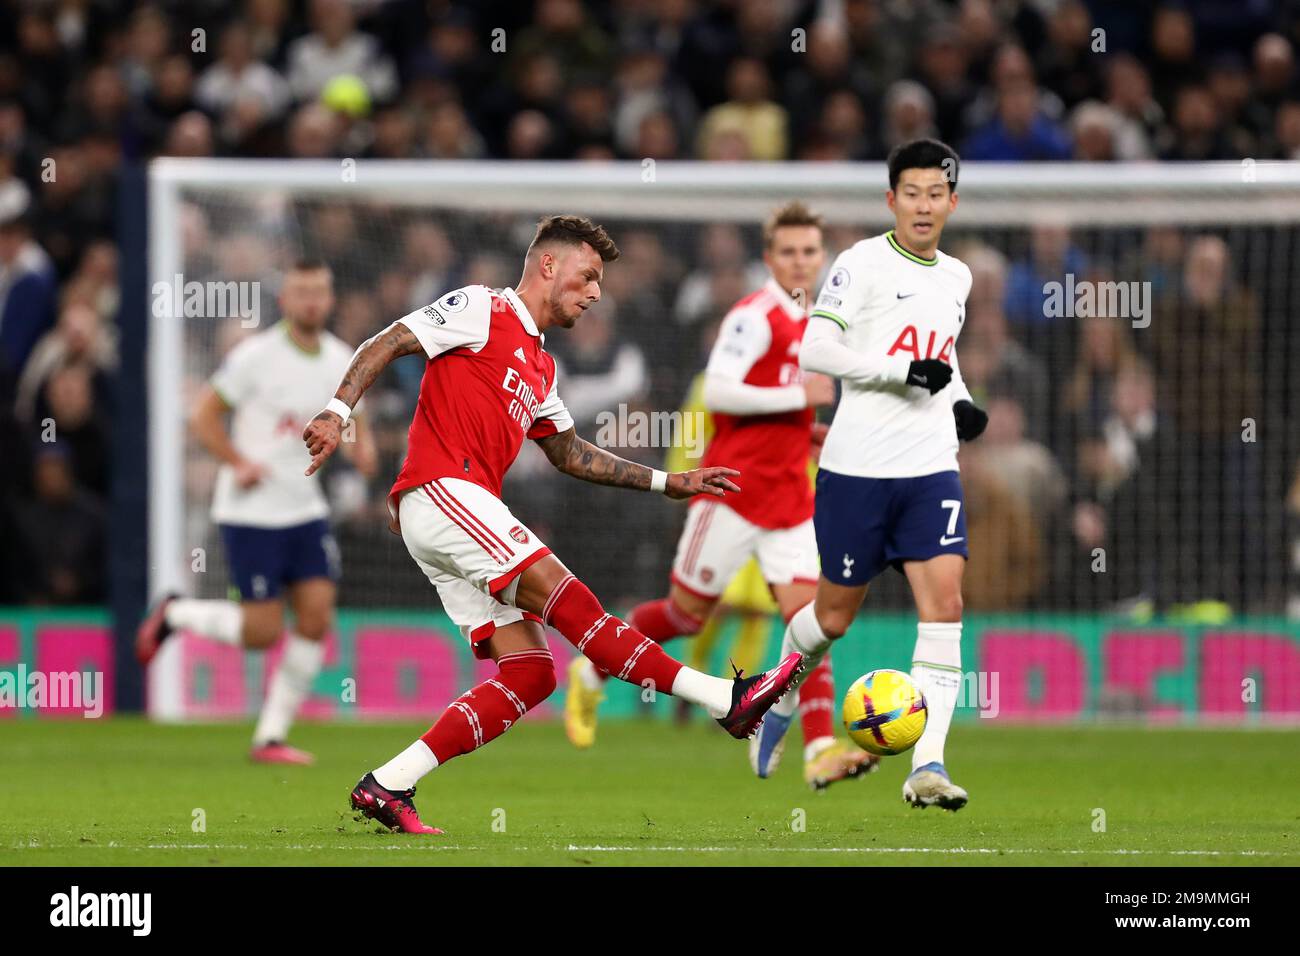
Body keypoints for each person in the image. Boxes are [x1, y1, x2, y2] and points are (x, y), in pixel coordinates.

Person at [301, 215, 803, 834]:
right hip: (444, 492)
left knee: (533, 673)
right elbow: (388, 340)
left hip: (451, 512)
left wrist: (666, 482)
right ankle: (728, 702)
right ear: (548, 266)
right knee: (574, 603)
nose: (595, 293)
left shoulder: (541, 367)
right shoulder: (483, 308)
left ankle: (388, 784)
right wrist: (334, 411)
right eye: (588, 276)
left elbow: (571, 454)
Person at [564, 201, 877, 789]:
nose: (801, 261)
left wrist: (814, 431)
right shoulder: (753, 316)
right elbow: (724, 393)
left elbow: (781, 412)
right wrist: (797, 397)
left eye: (810, 251)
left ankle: (819, 748)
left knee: (812, 623)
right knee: (684, 614)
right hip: (729, 494)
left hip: (788, 502)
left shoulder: (820, 323)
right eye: (788, 251)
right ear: (769, 258)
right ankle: (592, 668)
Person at [759, 139, 989, 811]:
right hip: (857, 470)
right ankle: (776, 701)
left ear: (952, 202)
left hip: (928, 470)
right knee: (831, 617)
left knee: (945, 604)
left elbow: (939, 361)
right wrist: (901, 373)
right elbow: (817, 346)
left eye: (935, 194)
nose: (923, 205)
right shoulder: (859, 264)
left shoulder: (958, 277)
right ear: (892, 201)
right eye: (910, 193)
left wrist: (961, 403)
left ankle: (928, 766)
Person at [136, 260, 377, 765]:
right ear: (284, 301)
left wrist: (362, 449)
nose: (311, 300)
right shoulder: (254, 357)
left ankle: (270, 737)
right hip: (250, 511)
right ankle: (175, 612)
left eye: (319, 291)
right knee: (262, 632)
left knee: (316, 617)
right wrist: (238, 461)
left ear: (329, 300)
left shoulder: (340, 358)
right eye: (301, 292)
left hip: (305, 508)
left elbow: (354, 419)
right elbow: (203, 415)